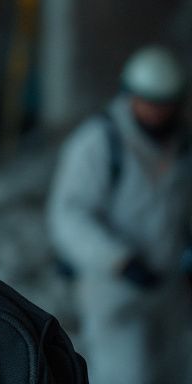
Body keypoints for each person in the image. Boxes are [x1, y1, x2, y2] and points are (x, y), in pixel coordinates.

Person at [47, 44, 191, 384]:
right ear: (130, 95)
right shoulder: (97, 142)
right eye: (149, 101)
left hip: (170, 286)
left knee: (173, 371)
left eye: (165, 102)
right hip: (113, 290)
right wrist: (119, 260)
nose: (157, 111)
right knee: (125, 374)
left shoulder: (182, 145)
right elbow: (68, 215)